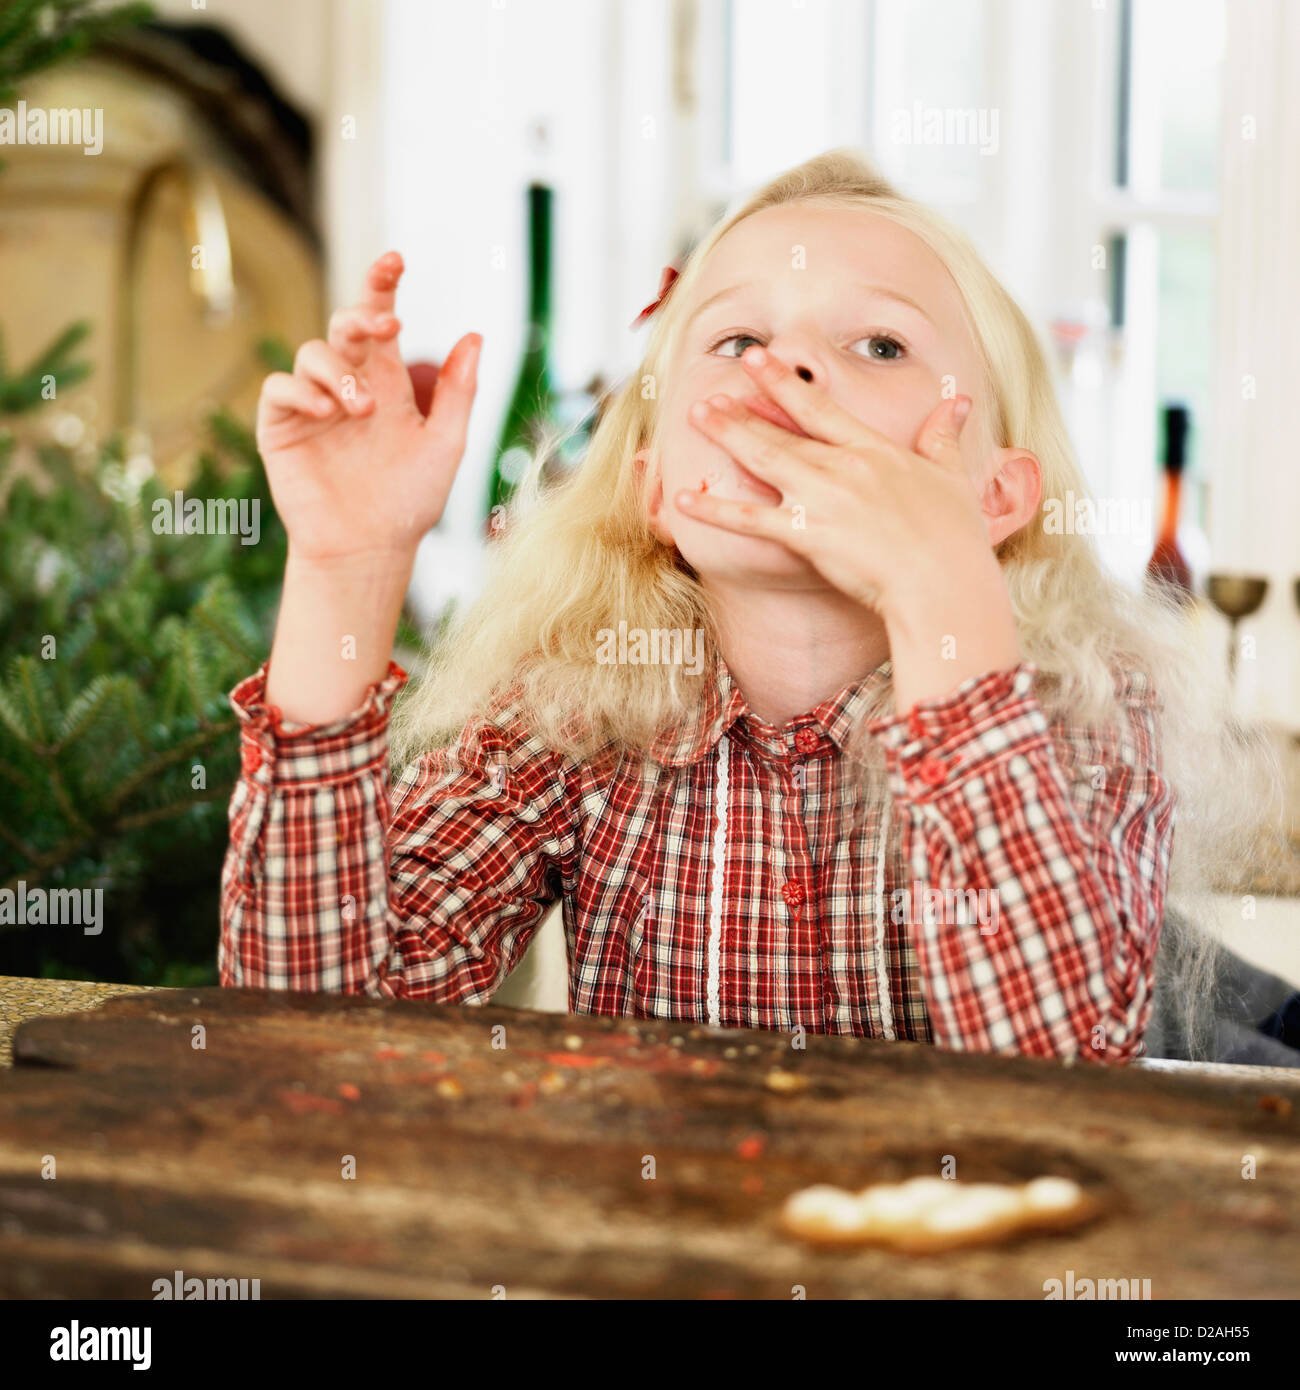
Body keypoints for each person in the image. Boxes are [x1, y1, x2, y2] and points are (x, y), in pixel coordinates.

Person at [219, 148, 1281, 1064]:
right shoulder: (569, 711)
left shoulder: (1087, 716)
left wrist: (937, 584)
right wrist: (345, 565)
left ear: (993, 496)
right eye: (734, 342)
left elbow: (1058, 1081)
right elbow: (311, 1039)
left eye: (879, 345)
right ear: (651, 485)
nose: (790, 366)